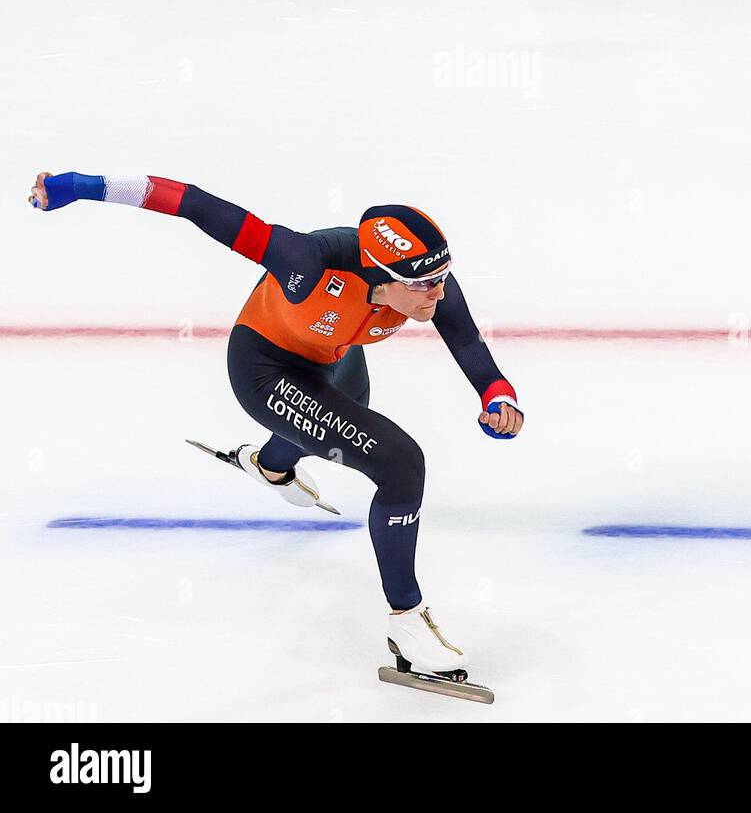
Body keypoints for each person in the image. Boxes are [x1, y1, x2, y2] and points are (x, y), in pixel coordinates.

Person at [29, 170, 522, 685]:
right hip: (266, 370)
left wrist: (497, 395)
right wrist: (78, 186)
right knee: (400, 463)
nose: (438, 294)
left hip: (334, 363)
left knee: (339, 420)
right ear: (381, 275)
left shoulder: (424, 277)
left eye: (442, 277)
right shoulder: (305, 261)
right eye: (423, 285)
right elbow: (194, 204)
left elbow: (467, 342)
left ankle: (269, 465)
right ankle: (407, 620)